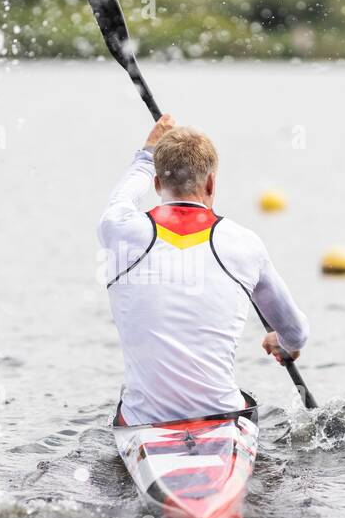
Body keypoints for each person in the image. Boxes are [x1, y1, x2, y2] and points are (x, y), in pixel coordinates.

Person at [98, 114, 310, 425]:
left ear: (157, 184)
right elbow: (297, 332)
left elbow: (121, 197)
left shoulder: (119, 230)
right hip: (222, 416)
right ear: (211, 182)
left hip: (144, 422)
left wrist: (146, 155)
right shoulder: (245, 244)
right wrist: (285, 345)